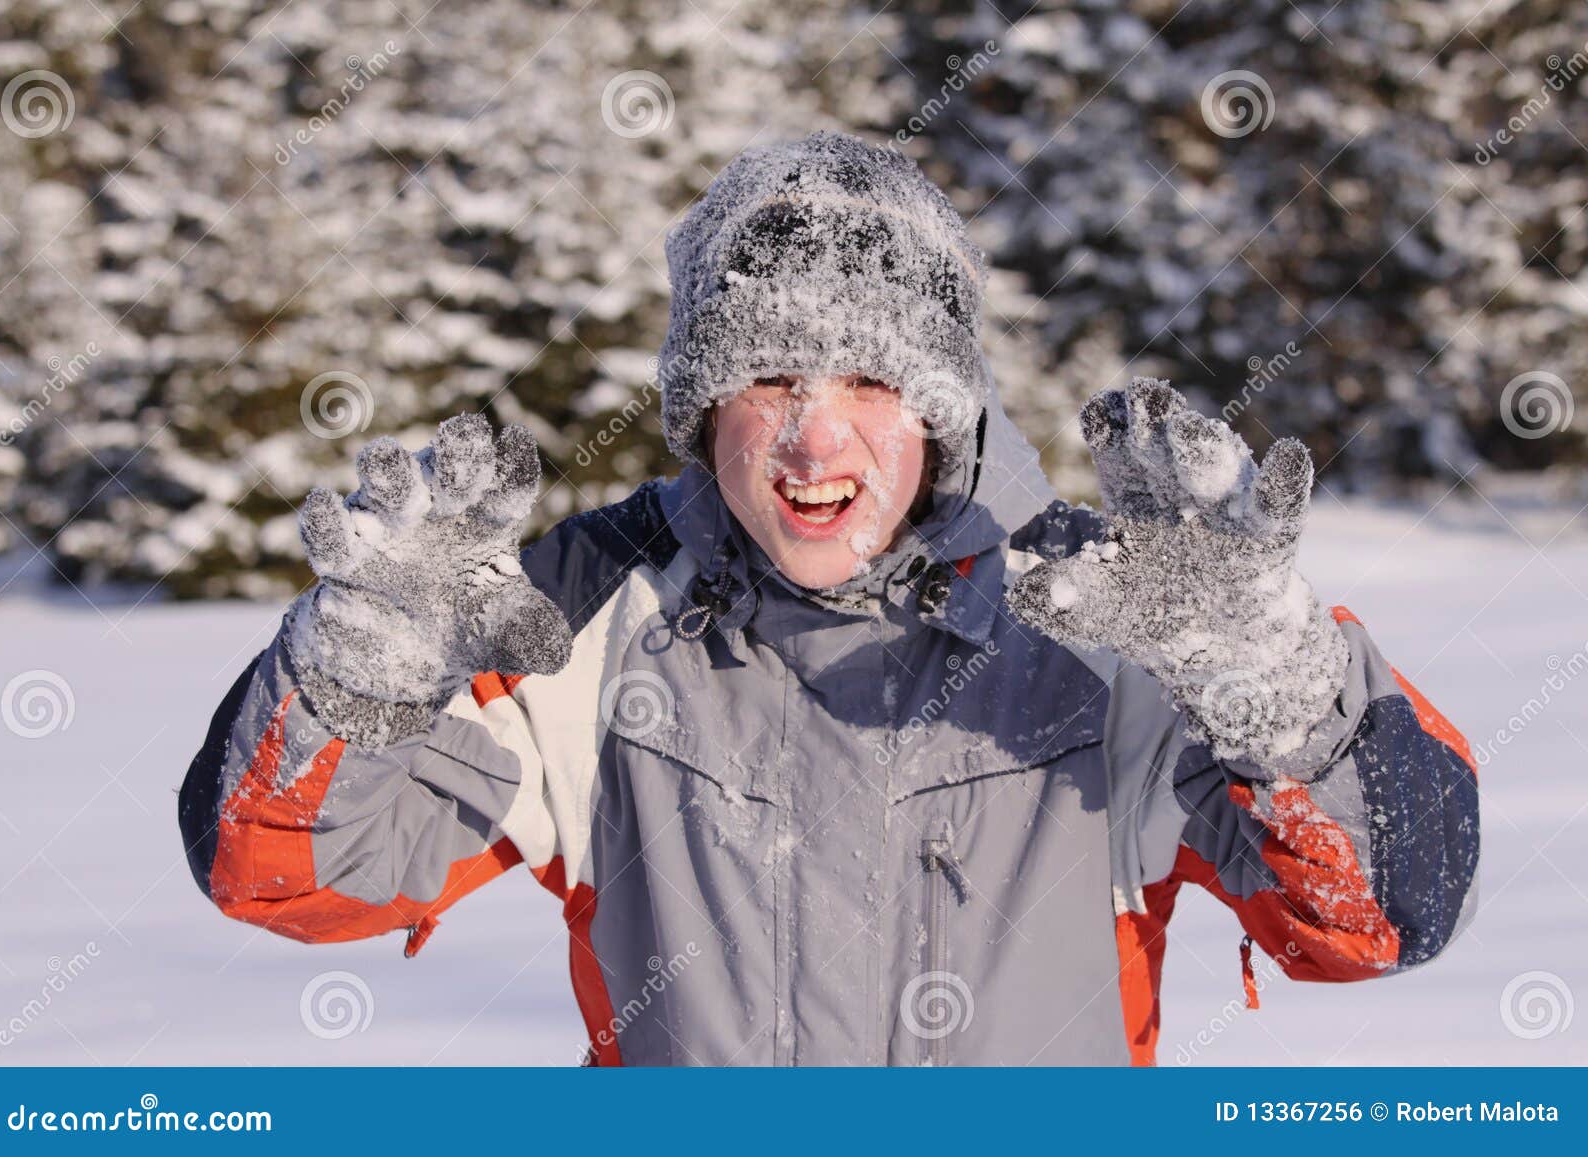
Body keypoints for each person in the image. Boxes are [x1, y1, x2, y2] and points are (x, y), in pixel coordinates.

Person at [178, 131, 1479, 1066]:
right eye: (768, 380)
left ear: (939, 408)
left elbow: (1382, 915)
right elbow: (286, 872)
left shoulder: (1116, 617)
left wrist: (1278, 685)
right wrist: (352, 668)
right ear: (700, 409)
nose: (815, 446)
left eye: (866, 379)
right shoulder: (581, 618)